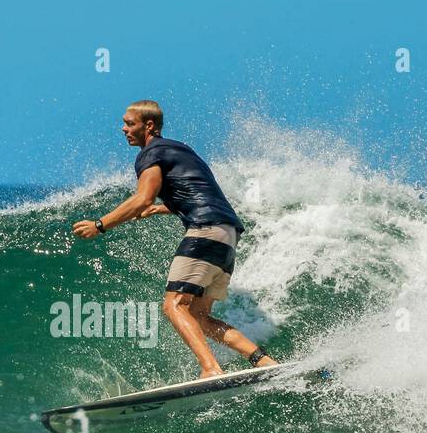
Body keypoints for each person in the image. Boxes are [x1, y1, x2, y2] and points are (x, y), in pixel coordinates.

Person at [73, 100, 277, 378]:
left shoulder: (150, 153)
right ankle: (262, 360)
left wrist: (100, 225)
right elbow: (200, 191)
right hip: (227, 236)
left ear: (149, 125)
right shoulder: (181, 150)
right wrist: (160, 208)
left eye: (129, 123)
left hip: (204, 231)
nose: (123, 129)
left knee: (174, 305)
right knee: (198, 315)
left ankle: (210, 368)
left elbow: (142, 197)